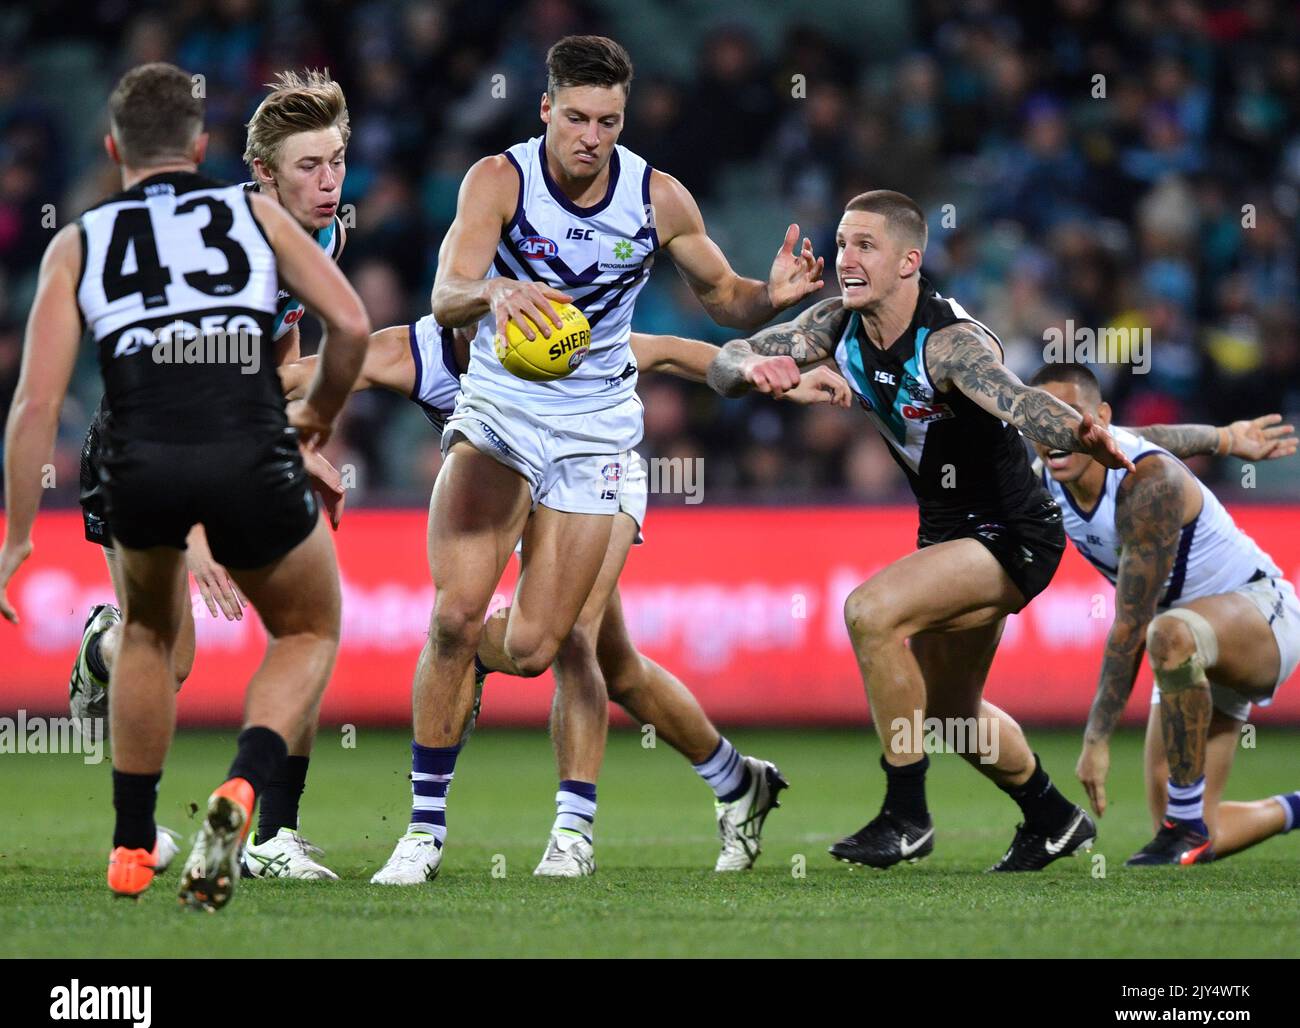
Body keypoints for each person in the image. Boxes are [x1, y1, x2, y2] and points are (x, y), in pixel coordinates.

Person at [371, 35, 824, 883]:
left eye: (608, 120)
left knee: (551, 643)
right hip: (502, 410)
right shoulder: (498, 181)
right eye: (575, 116)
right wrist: (494, 291)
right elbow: (444, 291)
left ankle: (703, 786)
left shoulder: (657, 198)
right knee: (451, 618)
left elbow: (723, 298)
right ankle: (426, 833)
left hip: (596, 431)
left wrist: (771, 298)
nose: (591, 135)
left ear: (625, 116)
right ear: (545, 108)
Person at [281, 319, 848, 873]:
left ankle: (572, 829)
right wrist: (219, 408)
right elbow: (302, 376)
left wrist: (771, 376)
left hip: (598, 470)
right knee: (618, 666)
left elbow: (667, 352)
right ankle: (737, 779)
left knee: (569, 636)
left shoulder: (554, 325)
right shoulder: (412, 351)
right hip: (510, 480)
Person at [0, 62, 370, 908]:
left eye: (336, 163)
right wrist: (312, 423)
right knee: (299, 628)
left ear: (110, 148)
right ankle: (245, 792)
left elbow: (34, 404)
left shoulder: (79, 241)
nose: (328, 183)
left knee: (156, 644)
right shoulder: (254, 221)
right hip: (229, 447)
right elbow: (348, 327)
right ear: (208, 149)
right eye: (311, 166)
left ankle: (136, 845)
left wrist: (18, 534)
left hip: (137, 453)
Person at [708, 189, 1133, 872]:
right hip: (948, 531)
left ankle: (906, 814)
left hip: (1012, 529)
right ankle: (1052, 818)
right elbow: (722, 362)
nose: (845, 258)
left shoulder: (950, 345)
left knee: (868, 611)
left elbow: (1022, 404)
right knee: (948, 711)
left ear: (910, 261)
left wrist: (1082, 433)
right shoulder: (837, 325)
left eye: (864, 246)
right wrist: (754, 368)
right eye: (842, 242)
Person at [1028, 363, 1300, 865]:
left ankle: (1185, 823)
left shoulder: (1149, 485)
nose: (1057, 431)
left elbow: (1131, 624)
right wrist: (1224, 438)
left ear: (1101, 419)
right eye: (1043, 419)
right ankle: (1271, 813)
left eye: (1072, 416)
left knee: (1166, 631)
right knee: (1193, 830)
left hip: (1262, 616)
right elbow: (1153, 433)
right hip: (1190, 647)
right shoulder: (1045, 478)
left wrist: (1096, 739)